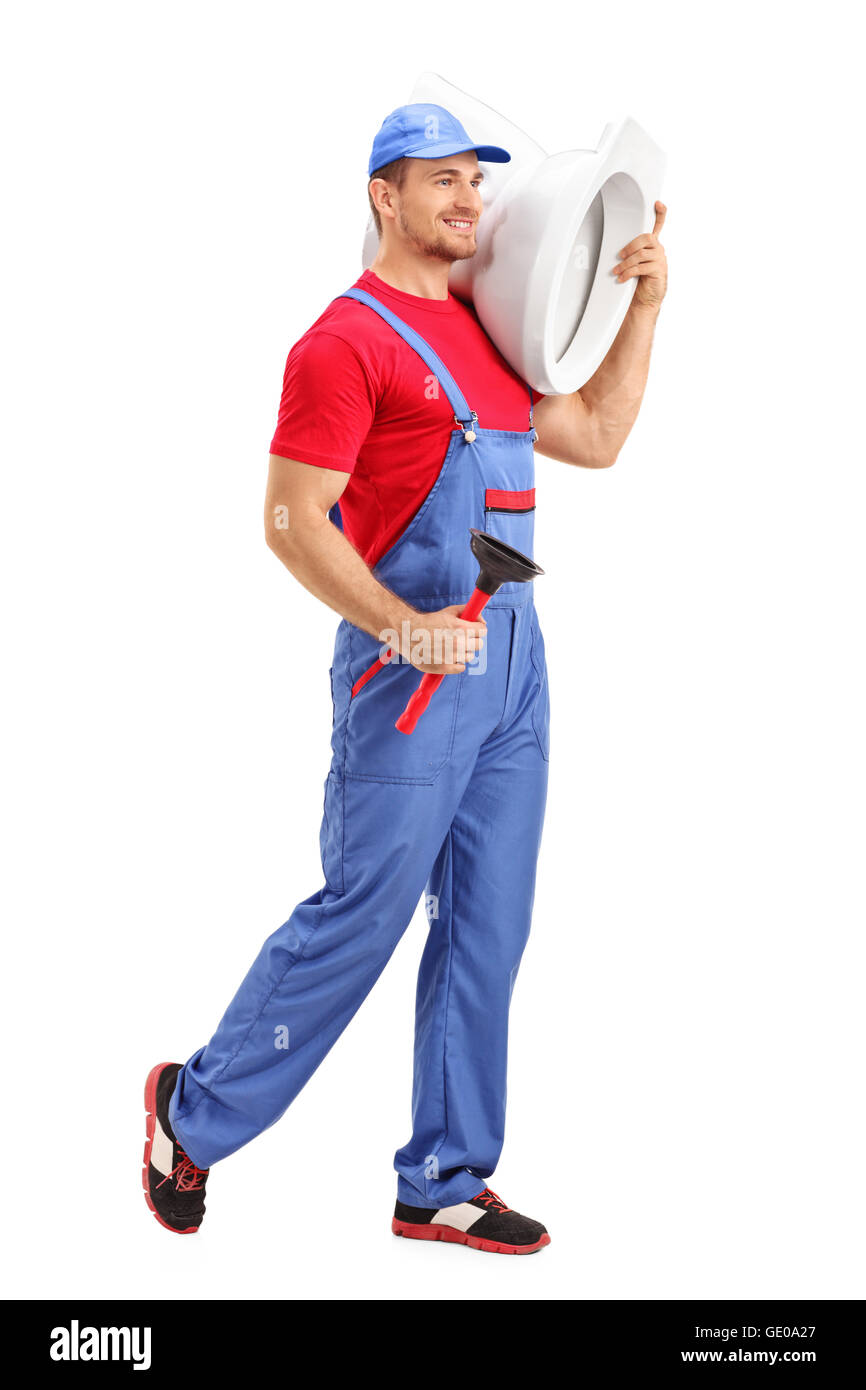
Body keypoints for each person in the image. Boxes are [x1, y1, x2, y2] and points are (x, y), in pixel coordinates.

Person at [142, 102, 668, 1254]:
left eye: (475, 181)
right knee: (361, 919)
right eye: (443, 181)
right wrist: (399, 626)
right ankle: (193, 1111)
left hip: (514, 667)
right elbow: (291, 520)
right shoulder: (342, 343)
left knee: (488, 926)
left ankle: (443, 1176)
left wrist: (641, 307)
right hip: (411, 674)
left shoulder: (490, 330)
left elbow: (595, 435)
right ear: (384, 195)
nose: (470, 200)